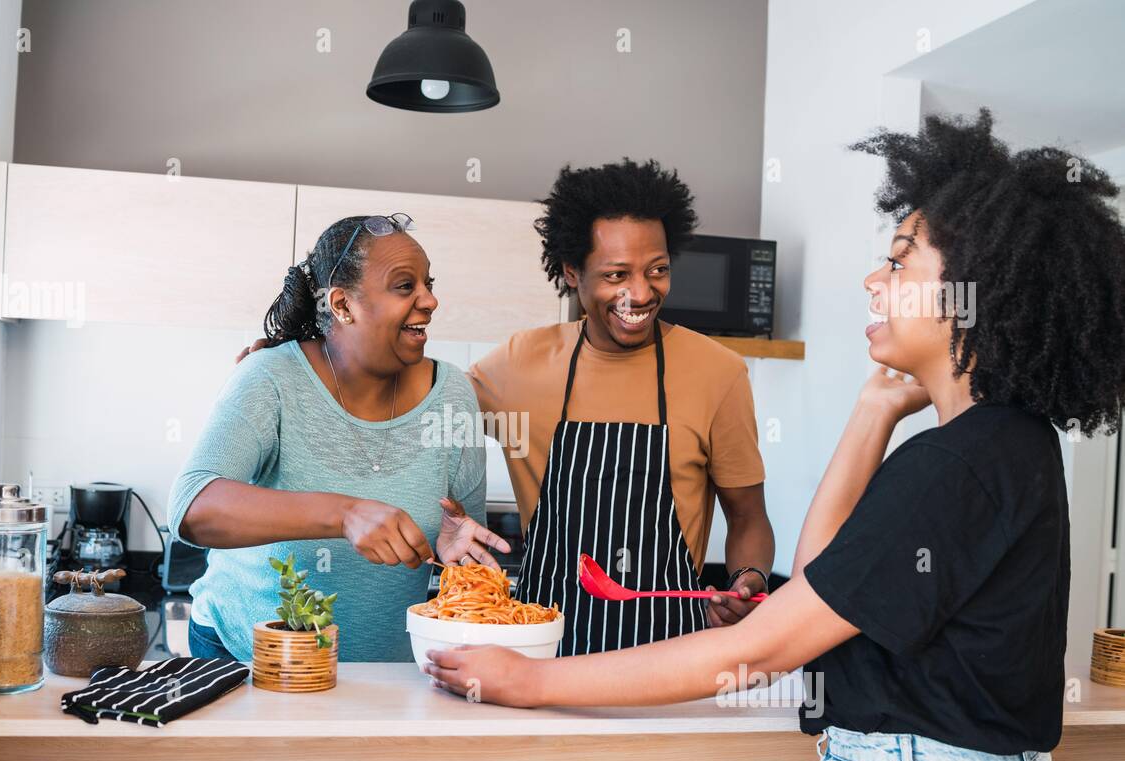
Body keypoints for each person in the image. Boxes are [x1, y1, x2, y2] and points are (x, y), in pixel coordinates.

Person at [424, 110, 1125, 761]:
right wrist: (875, 408)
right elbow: (818, 586)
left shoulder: (956, 466)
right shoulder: (998, 447)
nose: (871, 280)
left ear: (968, 294)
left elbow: (767, 642)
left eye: (897, 262)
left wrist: (528, 681)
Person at [240, 160, 776, 655]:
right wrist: (301, 357)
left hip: (667, 652)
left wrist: (747, 581)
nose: (640, 292)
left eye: (656, 270)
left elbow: (749, 518)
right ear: (571, 272)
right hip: (536, 649)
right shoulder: (522, 361)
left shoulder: (718, 373)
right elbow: (408, 389)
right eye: (616, 275)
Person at [169, 214, 510, 662]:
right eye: (405, 286)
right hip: (249, 654)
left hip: (388, 668)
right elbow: (192, 508)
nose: (430, 300)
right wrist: (344, 513)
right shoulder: (271, 377)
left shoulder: (451, 396)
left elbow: (467, 549)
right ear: (343, 305)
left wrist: (452, 553)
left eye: (428, 283)